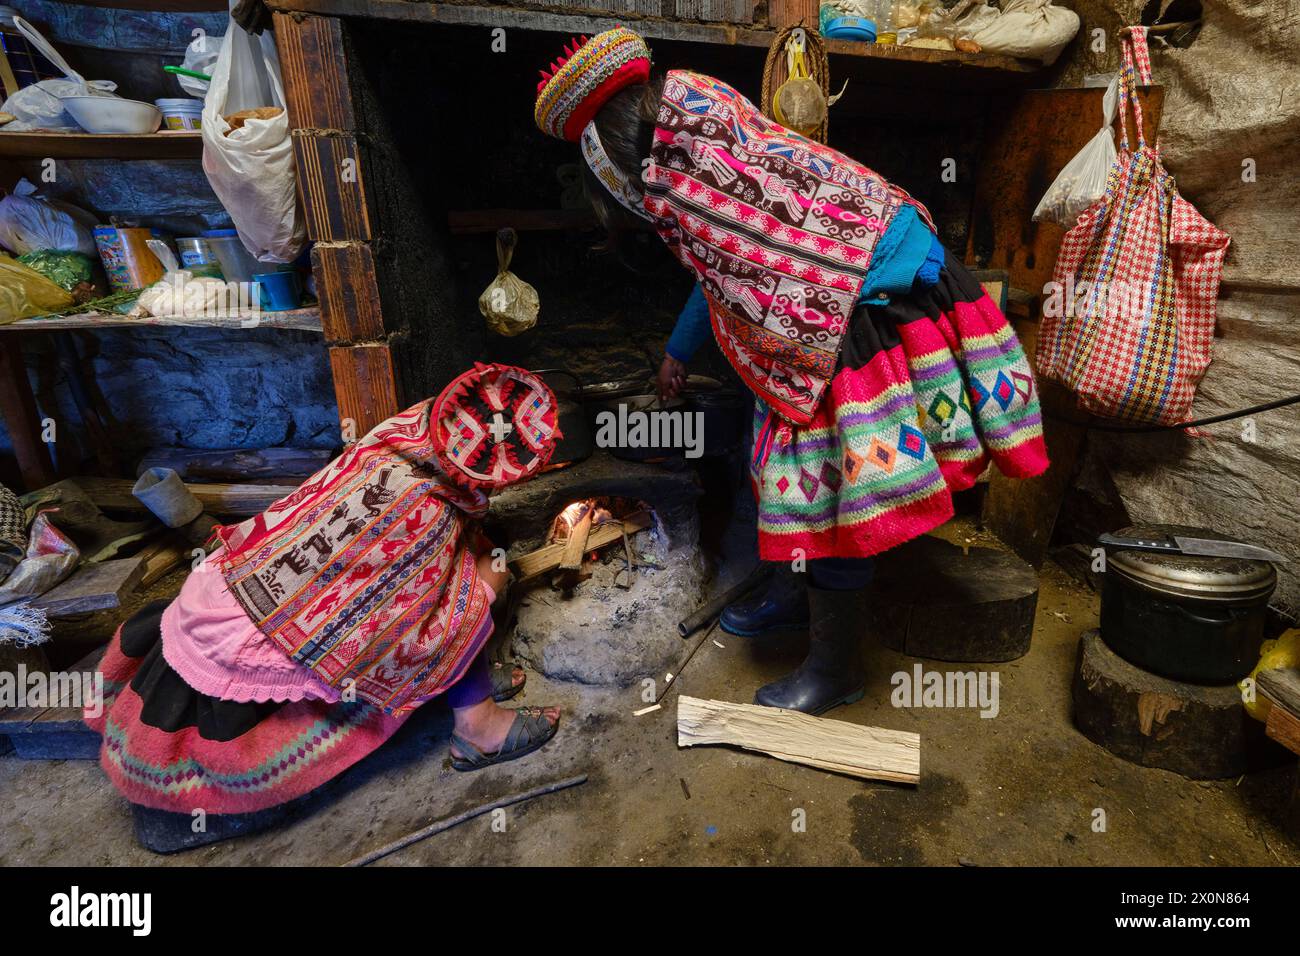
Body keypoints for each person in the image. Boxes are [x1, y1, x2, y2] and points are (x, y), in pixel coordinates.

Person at [535, 28, 1049, 715]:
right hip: (847, 284)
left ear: (627, 168)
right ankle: (790, 588)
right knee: (769, 454)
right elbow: (722, 269)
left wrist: (739, 361)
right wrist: (677, 353)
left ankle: (835, 669)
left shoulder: (689, 170)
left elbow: (773, 283)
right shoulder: (696, 146)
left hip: (863, 292)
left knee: (829, 486)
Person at [83, 363, 563, 844]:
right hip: (230, 667)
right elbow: (414, 638)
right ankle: (478, 730)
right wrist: (488, 583)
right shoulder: (424, 511)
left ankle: (462, 688)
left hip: (210, 602)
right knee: (476, 581)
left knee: (460, 565)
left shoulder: (386, 444)